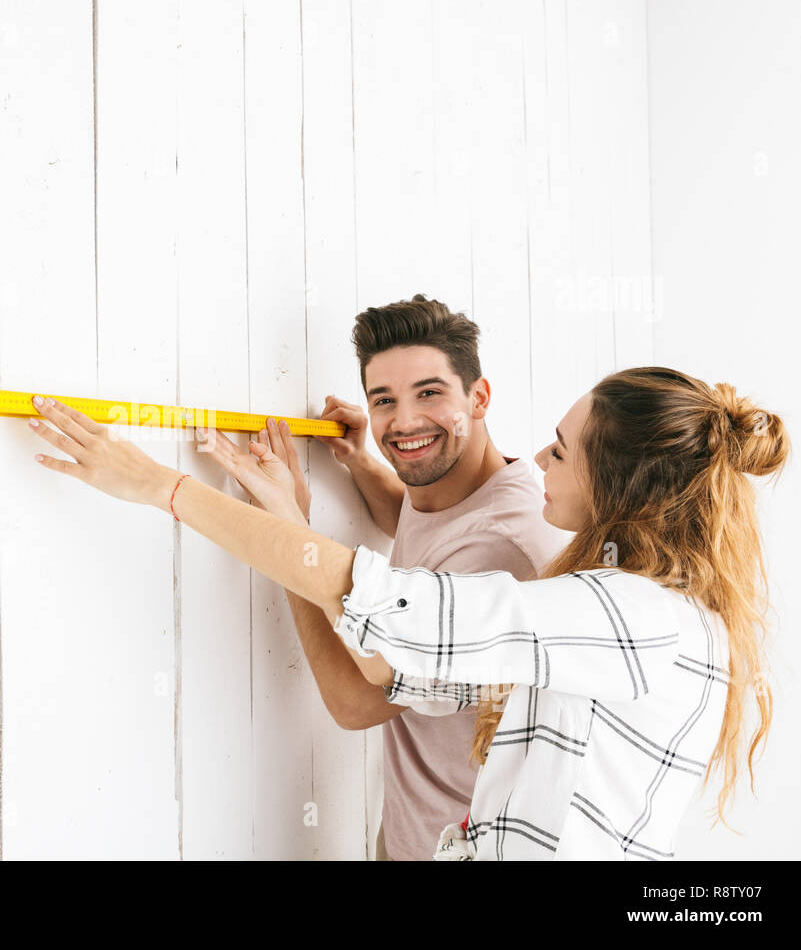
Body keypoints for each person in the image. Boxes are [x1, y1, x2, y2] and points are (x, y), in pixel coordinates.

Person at [26, 363, 786, 859]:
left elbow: (407, 618)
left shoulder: (637, 616)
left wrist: (163, 488)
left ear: (620, 484)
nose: (540, 462)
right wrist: (302, 519)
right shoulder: (613, 607)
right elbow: (398, 664)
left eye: (561, 450)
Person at [196, 295, 569, 861]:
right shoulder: (472, 488)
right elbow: (435, 539)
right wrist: (363, 462)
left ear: (479, 396)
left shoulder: (503, 546)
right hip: (413, 834)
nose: (404, 422)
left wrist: (289, 527)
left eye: (429, 393)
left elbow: (357, 701)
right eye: (384, 400)